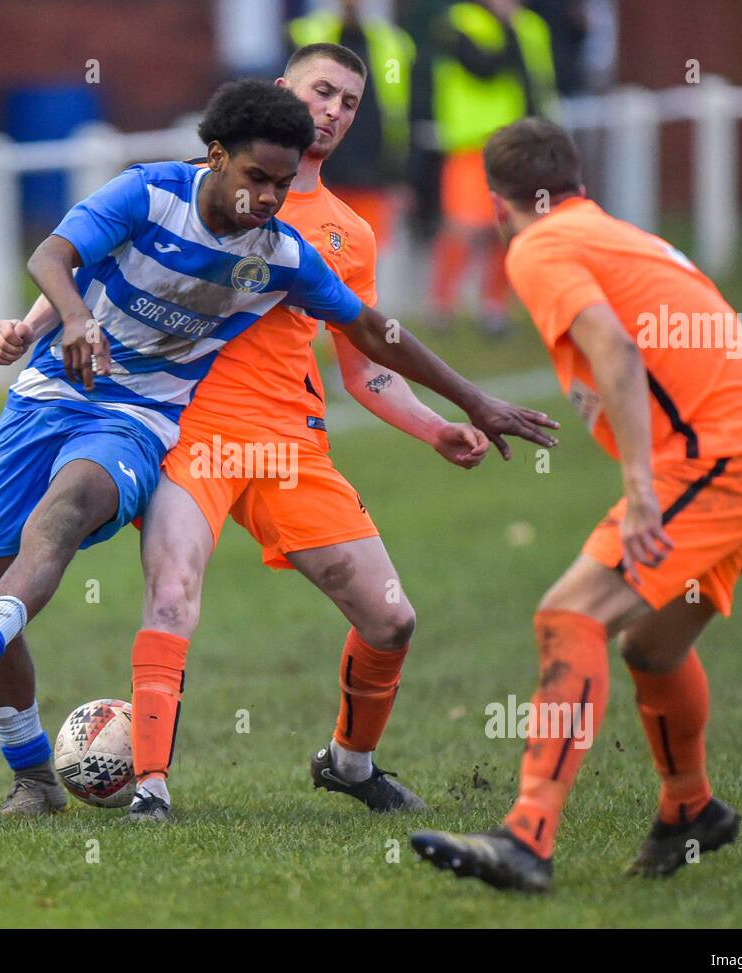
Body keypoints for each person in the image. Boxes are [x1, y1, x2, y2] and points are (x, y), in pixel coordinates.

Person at [0, 80, 554, 819]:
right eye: (257, 179)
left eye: (283, 185)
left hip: (142, 416)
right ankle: (32, 774)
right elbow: (52, 255)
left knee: (76, 500)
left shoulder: (283, 254)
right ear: (216, 156)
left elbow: (373, 332)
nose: (270, 198)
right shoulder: (147, 193)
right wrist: (68, 321)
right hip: (46, 396)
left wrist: (472, 400)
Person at [122, 44, 559, 823]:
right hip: (193, 431)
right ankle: (150, 787)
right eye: (322, 91)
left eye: (350, 102)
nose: (334, 110)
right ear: (283, 90)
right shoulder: (204, 186)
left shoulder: (350, 235)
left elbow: (367, 368)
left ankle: (349, 763)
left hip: (291, 441)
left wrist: (434, 428)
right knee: (174, 590)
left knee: (392, 617)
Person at [411, 118, 742, 891]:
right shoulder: (630, 237)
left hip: (713, 458)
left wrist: (646, 492)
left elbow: (615, 347)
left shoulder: (542, 245)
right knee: (651, 647)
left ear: (498, 206)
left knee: (569, 615)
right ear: (576, 181)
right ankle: (690, 808)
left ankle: (526, 837)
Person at [428, 0, 556, 336]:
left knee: (508, 228)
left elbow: (539, 83)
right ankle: (442, 306)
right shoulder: (460, 21)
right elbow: (482, 67)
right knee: (463, 227)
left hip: (516, 143)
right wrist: (507, 28)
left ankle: (494, 307)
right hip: (471, 143)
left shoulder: (532, 26)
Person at [288, 0, 415, 245]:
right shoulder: (304, 34)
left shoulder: (392, 42)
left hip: (372, 169)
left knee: (362, 252)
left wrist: (403, 173)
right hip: (316, 166)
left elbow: (405, 109)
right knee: (312, 251)